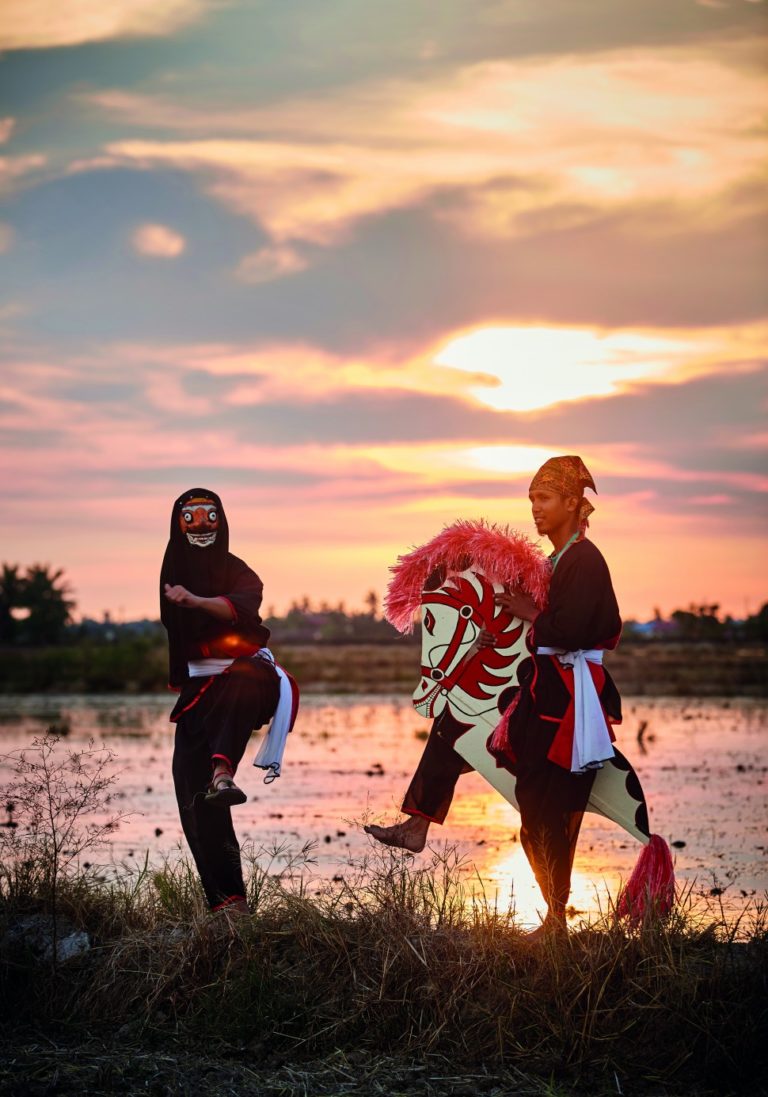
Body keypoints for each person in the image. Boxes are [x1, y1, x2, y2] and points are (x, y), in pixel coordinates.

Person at [365, 455, 622, 938]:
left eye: (543, 499)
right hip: (543, 690)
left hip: (569, 700)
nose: (535, 510)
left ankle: (555, 920)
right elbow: (541, 627)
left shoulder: (585, 560)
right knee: (458, 727)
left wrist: (529, 611)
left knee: (546, 810)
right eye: (531, 500)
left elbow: (574, 629)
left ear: (572, 502)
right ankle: (419, 823)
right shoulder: (556, 561)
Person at [161, 487, 295, 915]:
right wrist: (186, 599)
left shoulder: (242, 574)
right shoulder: (173, 567)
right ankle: (229, 907)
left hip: (247, 679)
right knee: (193, 800)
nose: (200, 524)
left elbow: (240, 609)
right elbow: (177, 625)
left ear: (222, 521)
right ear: (178, 524)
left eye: (209, 515)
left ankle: (224, 772)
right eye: (190, 517)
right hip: (199, 691)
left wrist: (196, 601)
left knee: (239, 678)